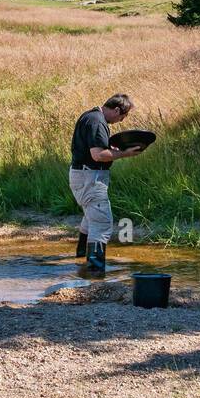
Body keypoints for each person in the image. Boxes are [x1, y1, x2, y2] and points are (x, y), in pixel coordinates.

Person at [69, 94, 142, 272]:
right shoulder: (97, 122)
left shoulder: (90, 116)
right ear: (116, 109)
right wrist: (125, 153)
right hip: (90, 177)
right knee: (101, 223)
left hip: (82, 175)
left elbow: (96, 150)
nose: (121, 120)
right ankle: (95, 272)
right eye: (122, 116)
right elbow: (98, 155)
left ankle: (80, 260)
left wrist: (112, 151)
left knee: (90, 218)